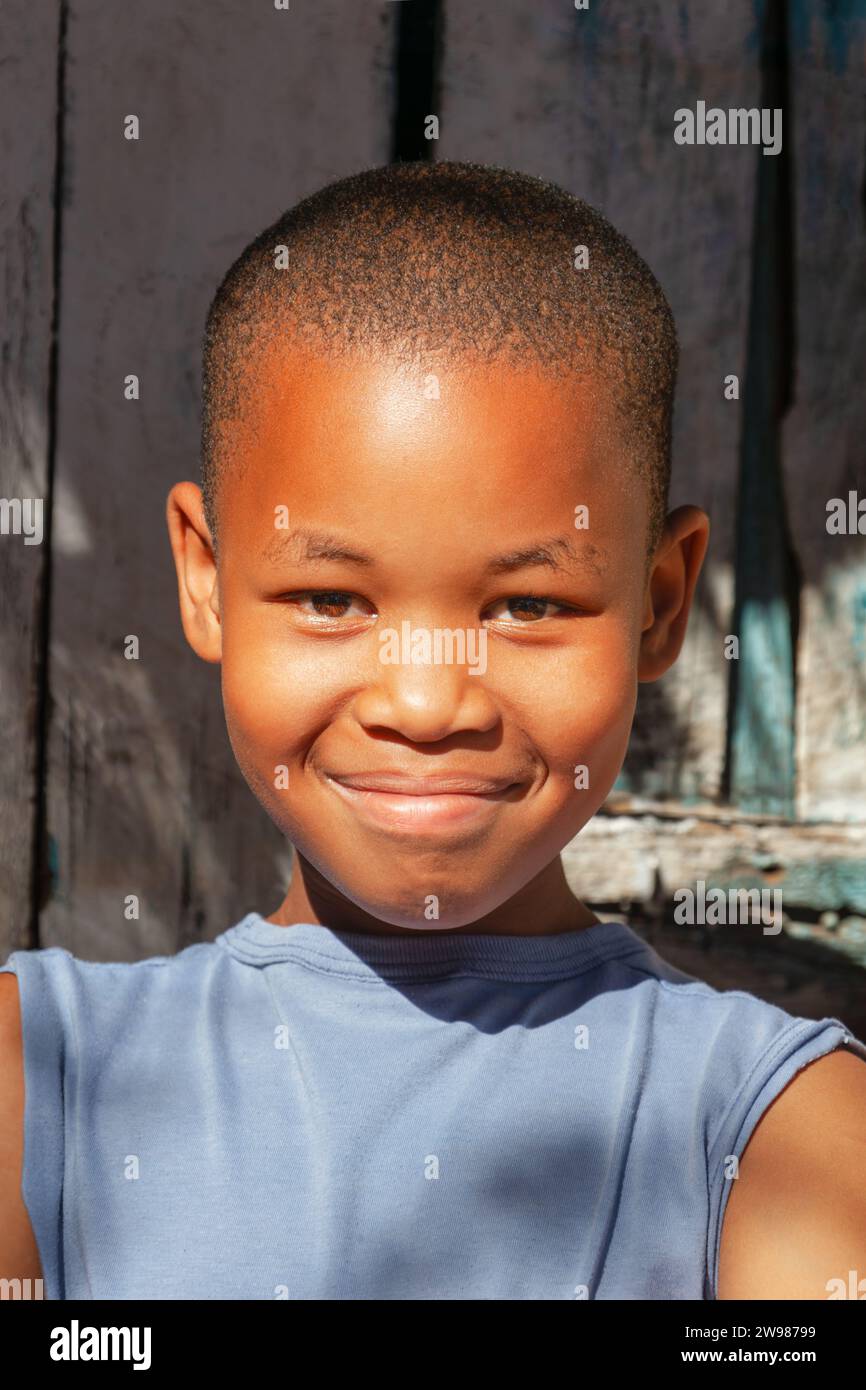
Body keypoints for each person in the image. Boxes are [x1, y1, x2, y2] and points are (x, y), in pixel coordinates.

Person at [2, 162, 864, 1301]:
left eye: (527, 607)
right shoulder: (39, 1074)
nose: (424, 702)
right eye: (330, 600)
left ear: (658, 604)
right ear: (206, 581)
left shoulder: (774, 1126)